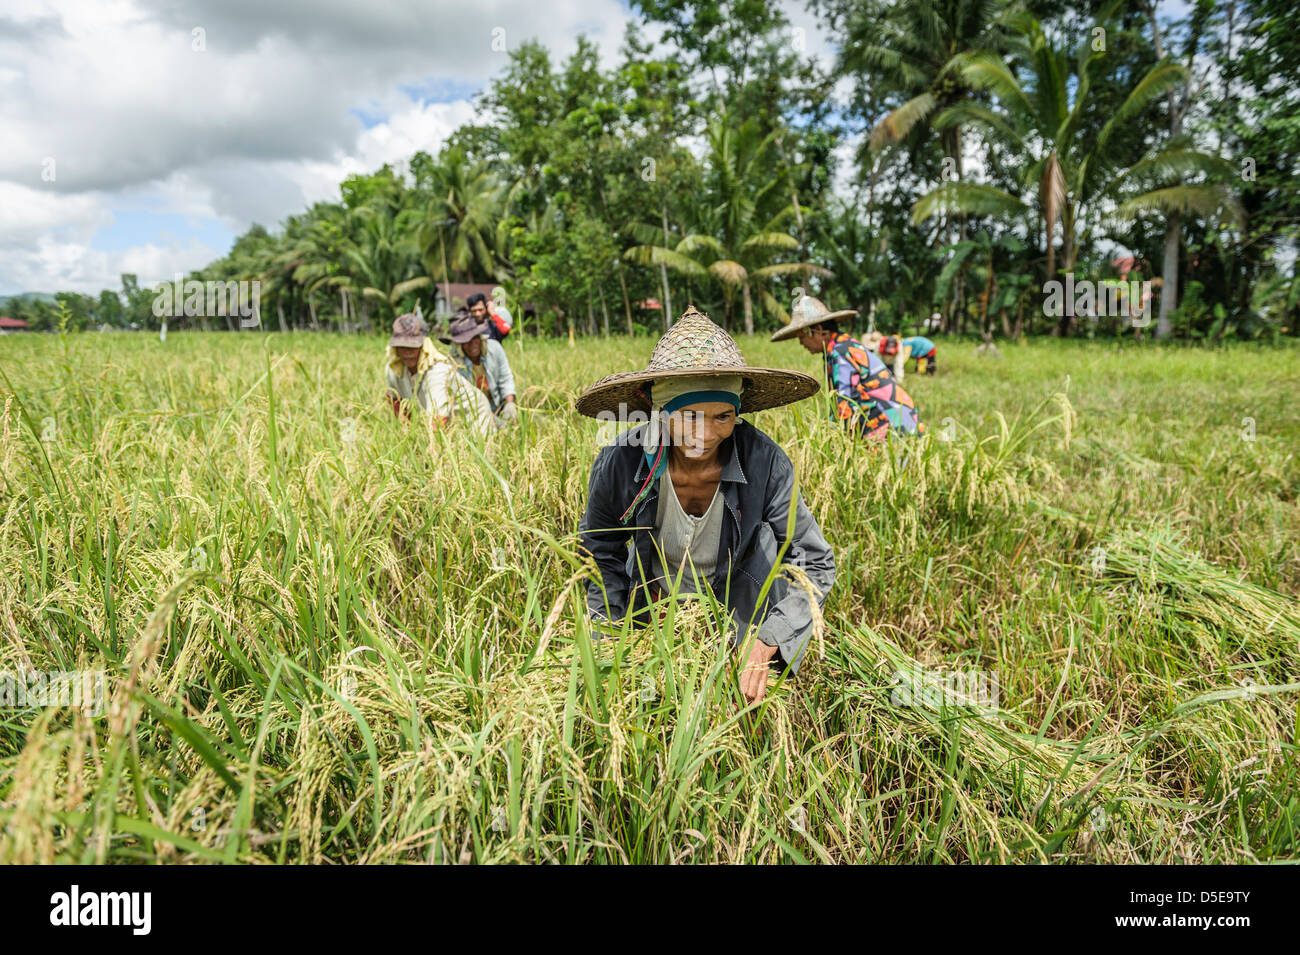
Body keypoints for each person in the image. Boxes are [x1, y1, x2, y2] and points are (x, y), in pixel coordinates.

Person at [575, 306, 836, 704]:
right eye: (689, 415)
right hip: (654, 605)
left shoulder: (765, 462)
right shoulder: (621, 462)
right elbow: (599, 550)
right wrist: (611, 635)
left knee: (744, 706)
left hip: (743, 605)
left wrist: (769, 639)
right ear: (659, 410)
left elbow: (814, 560)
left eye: (723, 416)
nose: (706, 433)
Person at [772, 295, 925, 441]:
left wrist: (830, 438)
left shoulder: (840, 353)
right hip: (899, 420)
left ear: (817, 330)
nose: (801, 343)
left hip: (893, 425)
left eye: (801, 336)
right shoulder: (843, 346)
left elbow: (844, 403)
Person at [384, 312, 497, 435]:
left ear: (423, 345)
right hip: (447, 419)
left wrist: (429, 446)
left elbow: (437, 422)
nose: (408, 352)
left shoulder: (437, 372)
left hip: (474, 416)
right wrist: (408, 432)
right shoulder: (394, 369)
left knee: (473, 450)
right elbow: (395, 400)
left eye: (412, 346)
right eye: (402, 346)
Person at [441, 309, 518, 422]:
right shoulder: (453, 364)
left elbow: (505, 378)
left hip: (497, 406)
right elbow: (462, 400)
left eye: (475, 338)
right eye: (466, 340)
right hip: (472, 414)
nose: (473, 344)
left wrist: (510, 404)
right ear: (458, 344)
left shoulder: (494, 349)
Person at [865, 331, 938, 380]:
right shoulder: (879, 346)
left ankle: (925, 374)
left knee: (924, 362)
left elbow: (899, 362)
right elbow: (877, 362)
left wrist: (900, 379)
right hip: (929, 346)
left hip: (927, 348)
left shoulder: (900, 346)